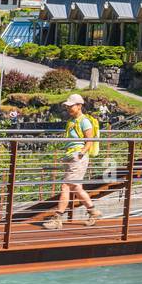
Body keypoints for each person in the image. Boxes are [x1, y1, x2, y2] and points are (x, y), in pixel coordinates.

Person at [42, 94, 103, 230]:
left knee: (66, 186)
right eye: (67, 106)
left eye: (71, 105)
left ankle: (57, 218)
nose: (68, 108)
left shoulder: (84, 121)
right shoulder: (72, 121)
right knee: (76, 187)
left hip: (78, 156)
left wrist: (81, 153)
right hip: (71, 156)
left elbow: (90, 139)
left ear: (79, 106)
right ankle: (93, 212)